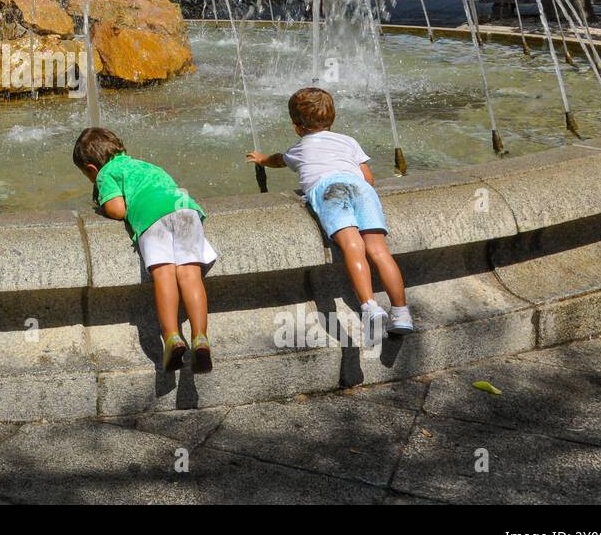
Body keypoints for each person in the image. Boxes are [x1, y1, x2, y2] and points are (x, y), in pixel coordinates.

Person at [248, 88, 413, 346]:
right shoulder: (348, 141)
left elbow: (279, 160)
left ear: (296, 126)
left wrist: (261, 159)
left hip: (329, 189)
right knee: (379, 251)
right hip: (361, 188)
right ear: (332, 119)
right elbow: (367, 176)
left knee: (352, 244)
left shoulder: (300, 147)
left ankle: (369, 306)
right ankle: (401, 313)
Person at [72, 128, 215, 373]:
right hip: (186, 210)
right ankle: (200, 337)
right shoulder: (148, 166)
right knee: (191, 275)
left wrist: (102, 205)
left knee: (164, 275)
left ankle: (172, 337)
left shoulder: (107, 173)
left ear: (91, 169)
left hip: (153, 218)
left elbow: (117, 210)